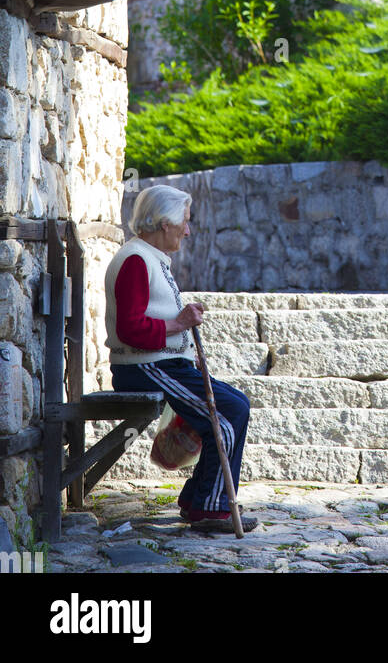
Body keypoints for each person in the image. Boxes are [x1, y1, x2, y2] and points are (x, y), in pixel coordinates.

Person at [105, 184, 258, 532]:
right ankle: (212, 507)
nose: (188, 231)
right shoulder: (135, 260)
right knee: (227, 414)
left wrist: (187, 349)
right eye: (185, 222)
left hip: (161, 364)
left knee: (234, 404)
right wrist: (180, 323)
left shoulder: (147, 258)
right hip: (144, 367)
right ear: (164, 223)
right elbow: (131, 329)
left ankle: (196, 500)